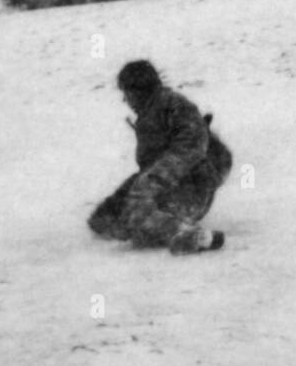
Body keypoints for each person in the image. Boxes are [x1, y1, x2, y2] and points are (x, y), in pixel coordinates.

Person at [88, 60, 230, 254]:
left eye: (126, 93)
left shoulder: (173, 106)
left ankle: (188, 234)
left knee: (138, 216)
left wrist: (153, 180)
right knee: (104, 220)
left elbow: (192, 147)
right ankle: (163, 224)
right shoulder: (151, 110)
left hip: (193, 184)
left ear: (138, 91)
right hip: (166, 180)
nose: (125, 100)